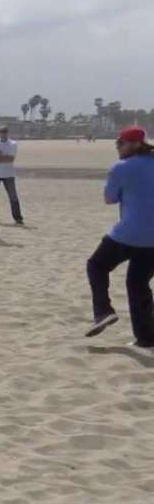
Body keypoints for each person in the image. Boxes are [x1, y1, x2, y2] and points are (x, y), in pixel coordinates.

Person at [84, 126, 154, 346]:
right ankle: (145, 338)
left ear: (134, 144)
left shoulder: (121, 168)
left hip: (128, 234)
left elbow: (109, 198)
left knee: (96, 265)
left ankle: (103, 311)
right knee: (138, 284)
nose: (118, 148)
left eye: (120, 144)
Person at [0, 126, 24, 225]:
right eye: (1, 131)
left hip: (9, 174)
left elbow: (10, 159)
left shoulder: (13, 144)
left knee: (13, 196)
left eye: (5, 131)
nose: (3, 133)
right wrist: (0, 158)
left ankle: (18, 217)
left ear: (8, 133)